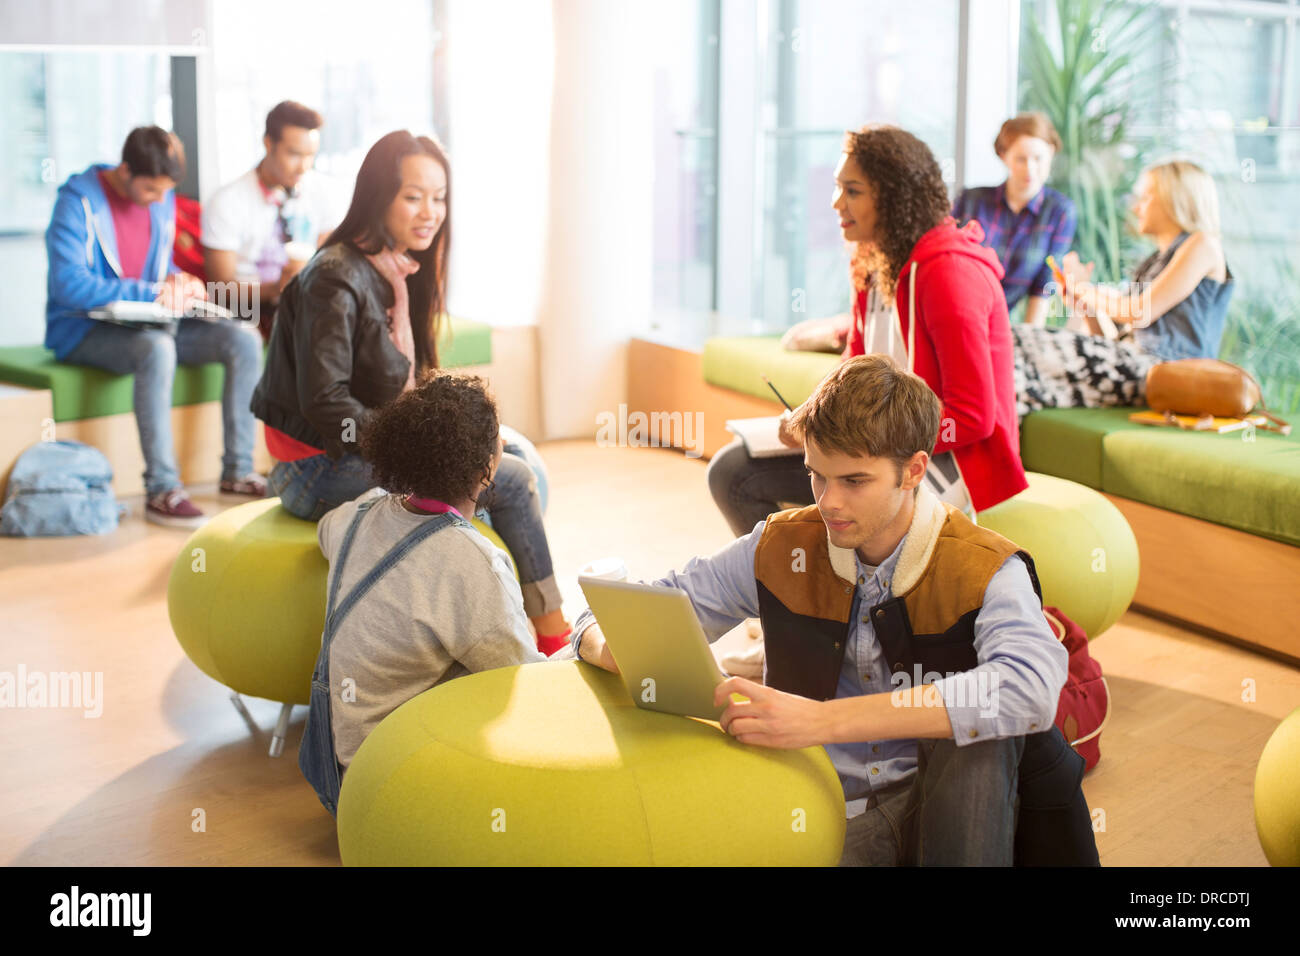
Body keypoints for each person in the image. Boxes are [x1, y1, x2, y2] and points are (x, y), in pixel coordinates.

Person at [576, 356, 1096, 866]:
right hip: (813, 804)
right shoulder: (782, 545)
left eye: (854, 481)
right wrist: (608, 643)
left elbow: (1029, 686)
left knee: (980, 728)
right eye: (816, 475)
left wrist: (820, 721)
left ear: (914, 470)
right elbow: (627, 609)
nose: (828, 502)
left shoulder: (985, 566)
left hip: (946, 807)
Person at [250, 130, 572, 649]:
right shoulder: (334, 277)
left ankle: (487, 617)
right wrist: (417, 451)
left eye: (439, 198)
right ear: (379, 196)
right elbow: (327, 404)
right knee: (510, 480)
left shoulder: (398, 265)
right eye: (413, 196)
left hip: (366, 444)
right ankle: (552, 635)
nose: (430, 212)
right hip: (314, 466)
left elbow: (413, 382)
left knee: (514, 452)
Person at [709, 124, 1027, 536]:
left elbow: (972, 418)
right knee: (732, 473)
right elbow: (853, 370)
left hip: (945, 461)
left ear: (894, 197)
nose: (836, 202)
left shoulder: (948, 273)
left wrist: (866, 444)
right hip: (873, 450)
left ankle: (828, 573)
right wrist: (811, 418)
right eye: (838, 187)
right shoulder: (871, 259)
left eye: (853, 191)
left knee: (848, 503)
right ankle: (796, 575)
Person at [297, 371, 577, 815]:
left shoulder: (358, 513)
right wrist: (583, 644)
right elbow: (523, 682)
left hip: (335, 773)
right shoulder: (473, 562)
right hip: (401, 788)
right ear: (487, 468)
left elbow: (324, 531)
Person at [45, 126, 266, 527]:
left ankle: (238, 471)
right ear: (125, 170)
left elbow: (158, 267)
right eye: (150, 189)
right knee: (156, 348)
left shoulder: (160, 203)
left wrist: (181, 280)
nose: (160, 200)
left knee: (244, 339)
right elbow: (69, 284)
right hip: (84, 329)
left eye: (166, 191)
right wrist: (152, 290)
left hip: (151, 321)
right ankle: (162, 489)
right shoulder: (77, 201)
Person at [1013, 159, 1234, 416]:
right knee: (1016, 373)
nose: (1135, 207)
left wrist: (1084, 288)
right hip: (1133, 364)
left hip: (1165, 373)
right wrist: (1084, 306)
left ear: (1176, 200)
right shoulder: (1155, 261)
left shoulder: (1203, 245)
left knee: (1018, 339)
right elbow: (1110, 343)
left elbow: (1138, 312)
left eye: (1146, 197)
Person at [202, 101, 340, 338]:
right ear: (268, 144)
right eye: (294, 154)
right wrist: (276, 289)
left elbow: (331, 258)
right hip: (249, 310)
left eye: (311, 155)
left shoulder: (322, 192)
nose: (303, 167)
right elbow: (220, 290)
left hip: (308, 302)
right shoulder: (228, 201)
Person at [951, 112, 1077, 326]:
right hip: (955, 313)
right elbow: (947, 266)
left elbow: (1043, 286)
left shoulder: (1060, 212)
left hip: (1001, 325)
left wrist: (1028, 339)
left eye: (1038, 158)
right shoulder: (971, 201)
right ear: (1004, 156)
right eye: (1020, 159)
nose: (1030, 169)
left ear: (1051, 153)